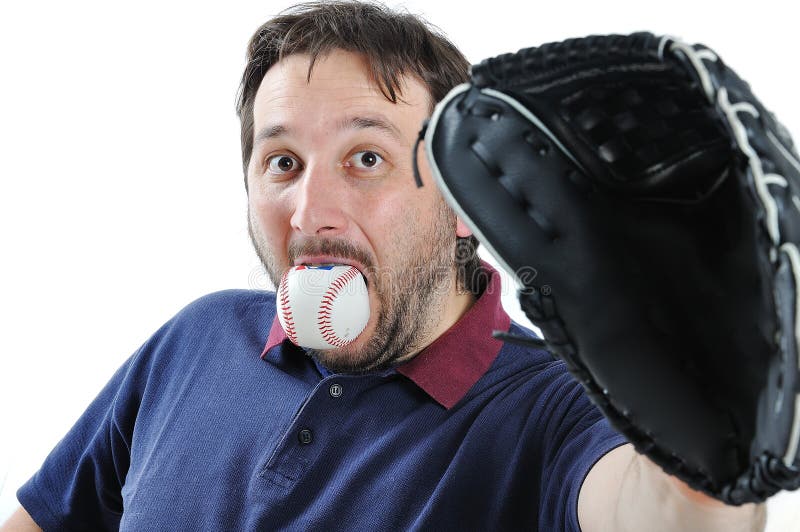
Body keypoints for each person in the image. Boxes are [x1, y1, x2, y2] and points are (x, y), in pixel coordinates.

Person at [1, 2, 767, 530]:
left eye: (365, 157)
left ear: (466, 203)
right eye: (282, 162)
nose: (310, 211)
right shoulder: (194, 341)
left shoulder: (553, 409)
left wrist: (699, 448)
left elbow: (660, 513)